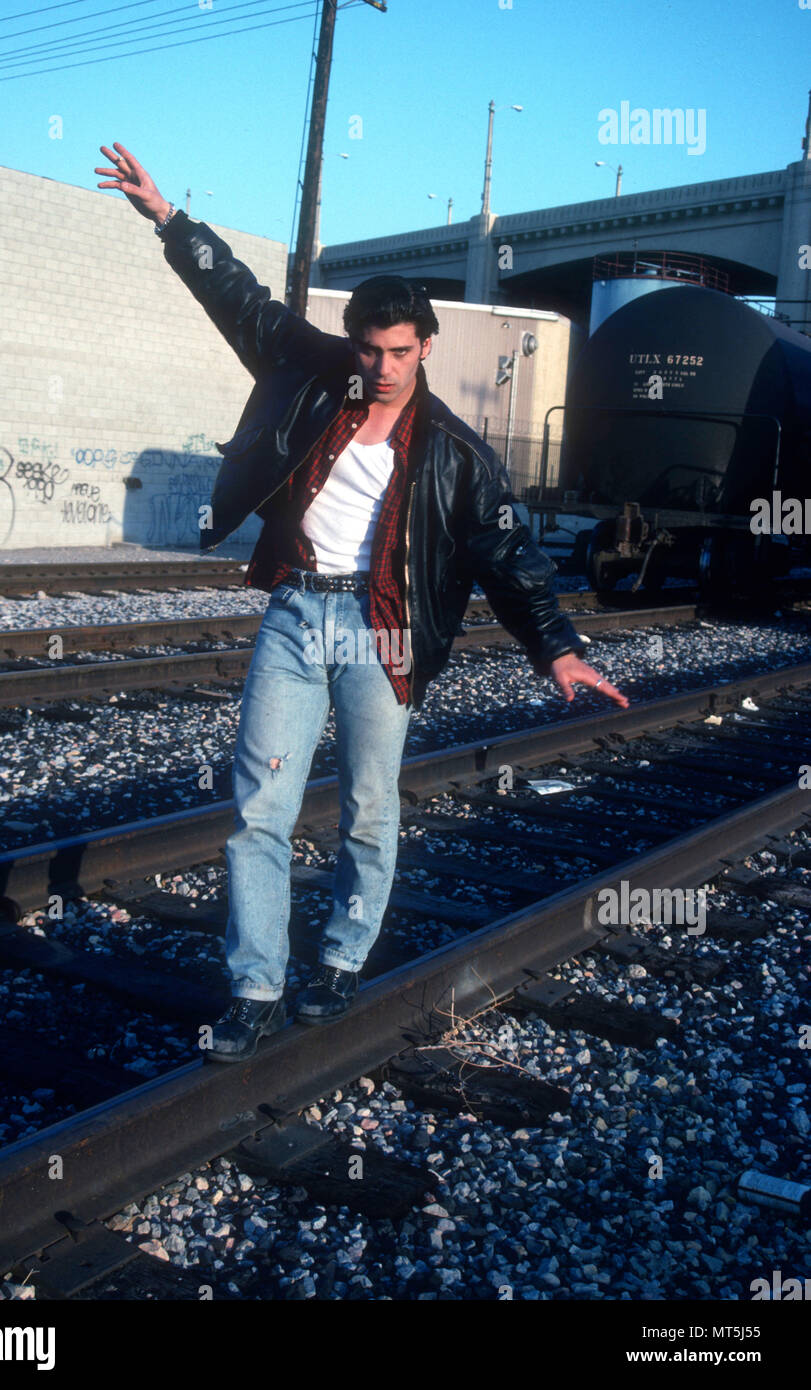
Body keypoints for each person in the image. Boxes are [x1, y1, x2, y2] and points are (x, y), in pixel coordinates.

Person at [94, 141, 629, 1062]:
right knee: (259, 808)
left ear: (425, 347)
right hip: (297, 615)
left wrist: (556, 648)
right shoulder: (317, 375)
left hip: (382, 634)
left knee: (369, 807)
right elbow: (245, 305)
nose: (380, 368)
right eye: (368, 350)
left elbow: (509, 556)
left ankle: (340, 960)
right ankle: (255, 985)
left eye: (396, 352)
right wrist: (171, 222)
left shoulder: (457, 455)